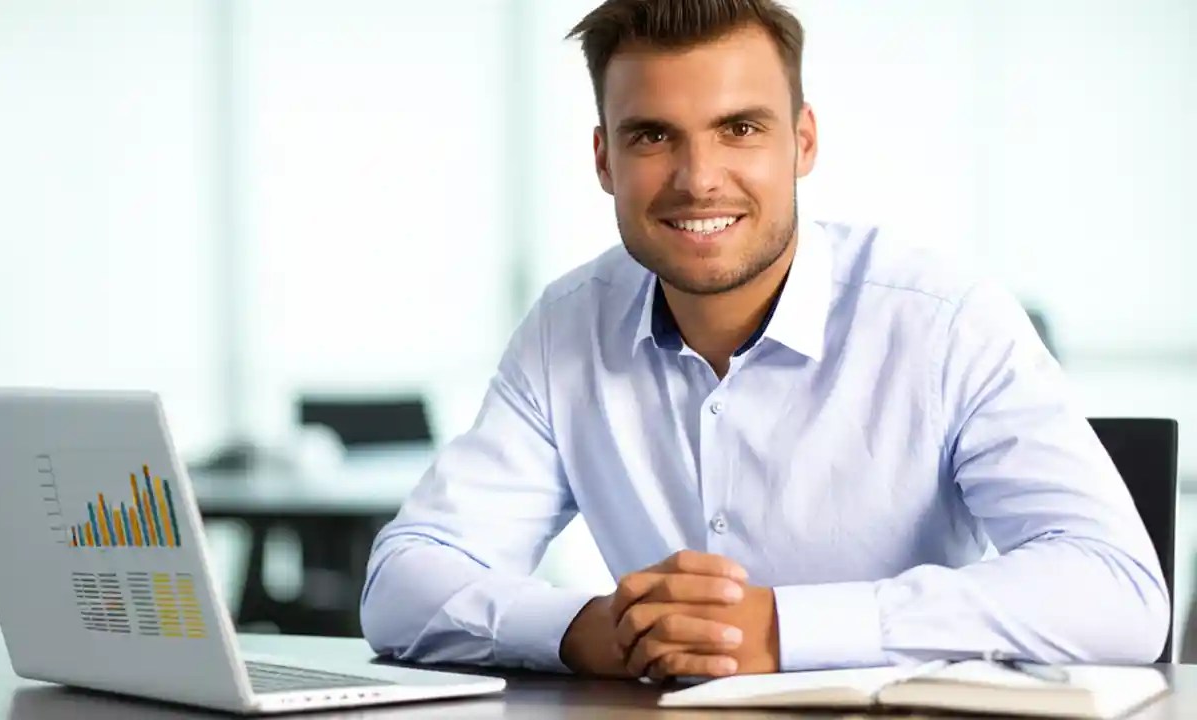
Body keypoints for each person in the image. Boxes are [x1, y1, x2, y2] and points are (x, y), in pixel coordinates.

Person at [360, 0, 1169, 679]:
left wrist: (780, 630)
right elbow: (404, 582)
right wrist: (593, 629)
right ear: (604, 159)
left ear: (803, 142)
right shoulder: (566, 327)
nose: (698, 177)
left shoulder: (945, 322)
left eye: (739, 128)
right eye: (652, 136)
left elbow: (1118, 593)